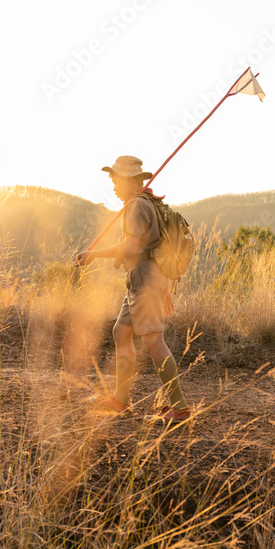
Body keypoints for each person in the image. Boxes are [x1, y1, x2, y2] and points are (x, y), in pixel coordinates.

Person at [75, 155, 191, 423]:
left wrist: (93, 255)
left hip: (145, 280)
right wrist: (164, 288)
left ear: (128, 179)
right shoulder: (146, 203)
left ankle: (180, 408)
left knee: (153, 340)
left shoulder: (137, 205)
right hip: (144, 279)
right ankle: (120, 400)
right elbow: (158, 248)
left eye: (114, 178)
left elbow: (130, 248)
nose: (112, 184)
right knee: (121, 332)